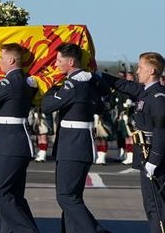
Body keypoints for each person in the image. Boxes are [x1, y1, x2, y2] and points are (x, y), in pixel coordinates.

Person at [100, 52, 165, 233]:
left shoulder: (158, 96)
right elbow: (124, 85)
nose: (137, 70)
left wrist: (153, 161)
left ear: (151, 70)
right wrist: (99, 75)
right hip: (145, 152)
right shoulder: (146, 90)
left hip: (154, 156)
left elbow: (160, 131)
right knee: (152, 205)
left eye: (140, 67)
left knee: (155, 207)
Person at [41, 43, 109, 233]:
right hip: (78, 143)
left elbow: (47, 107)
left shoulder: (73, 84)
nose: (56, 64)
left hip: (73, 144)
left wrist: (52, 87)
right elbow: (104, 92)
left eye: (59, 60)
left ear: (71, 62)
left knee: (66, 197)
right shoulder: (89, 80)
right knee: (73, 198)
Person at [0, 43, 40, 233]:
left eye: (1, 58)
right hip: (17, 143)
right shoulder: (25, 80)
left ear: (11, 60)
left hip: (12, 144)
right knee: (13, 197)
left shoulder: (10, 82)